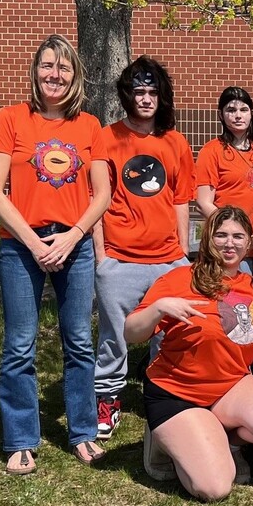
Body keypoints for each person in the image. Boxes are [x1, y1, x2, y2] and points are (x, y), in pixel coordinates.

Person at [0, 34, 112, 475]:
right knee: (20, 344)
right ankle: (21, 439)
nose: (54, 75)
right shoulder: (11, 118)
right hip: (21, 245)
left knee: (79, 342)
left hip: (74, 246)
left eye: (63, 68)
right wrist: (35, 243)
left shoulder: (89, 126)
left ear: (75, 77)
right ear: (35, 71)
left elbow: (102, 194)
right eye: (47, 66)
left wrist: (73, 236)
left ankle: (83, 432)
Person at [124, 206, 253, 501]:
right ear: (207, 238)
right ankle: (163, 441)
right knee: (214, 488)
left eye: (238, 236)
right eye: (221, 235)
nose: (230, 243)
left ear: (249, 242)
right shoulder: (178, 279)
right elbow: (131, 333)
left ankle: (225, 443)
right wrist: (159, 308)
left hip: (230, 386)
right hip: (176, 393)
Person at [93, 56, 194, 441]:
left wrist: (182, 255)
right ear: (127, 95)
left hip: (168, 260)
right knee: (114, 336)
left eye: (153, 91)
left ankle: (162, 396)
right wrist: (102, 259)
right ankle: (108, 398)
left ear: (162, 96)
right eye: (139, 91)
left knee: (168, 335)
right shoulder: (107, 137)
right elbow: (97, 199)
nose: (146, 98)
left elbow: (181, 200)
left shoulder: (176, 141)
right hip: (119, 260)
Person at [196, 87, 253, 245]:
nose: (238, 115)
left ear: (251, 114)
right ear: (221, 115)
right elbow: (203, 203)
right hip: (229, 245)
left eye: (243, 110)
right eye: (231, 110)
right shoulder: (211, 151)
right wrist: (241, 232)